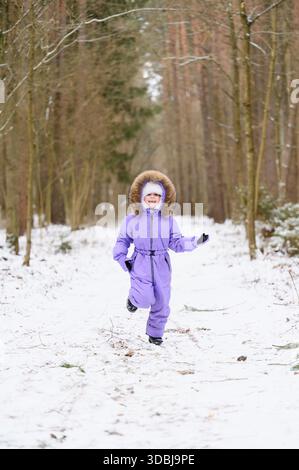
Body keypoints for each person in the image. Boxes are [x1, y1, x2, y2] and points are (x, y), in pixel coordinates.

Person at [112, 170, 209, 346]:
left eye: (157, 195)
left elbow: (177, 242)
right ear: (141, 196)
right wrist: (121, 257)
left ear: (163, 198)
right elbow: (123, 240)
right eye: (149, 194)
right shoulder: (132, 219)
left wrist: (195, 241)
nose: (153, 197)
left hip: (161, 263)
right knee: (145, 298)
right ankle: (133, 299)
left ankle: (155, 333)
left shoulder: (168, 219)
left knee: (162, 300)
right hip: (140, 261)